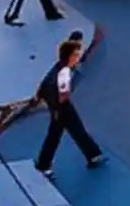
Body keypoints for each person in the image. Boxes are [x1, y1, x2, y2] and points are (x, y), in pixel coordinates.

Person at [34, 40, 105, 179]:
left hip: (56, 106)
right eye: (76, 55)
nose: (78, 58)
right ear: (69, 56)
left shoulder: (57, 68)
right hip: (62, 107)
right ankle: (44, 165)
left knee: (71, 130)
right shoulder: (65, 73)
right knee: (60, 134)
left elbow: (42, 87)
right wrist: (60, 106)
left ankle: (93, 154)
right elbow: (63, 95)